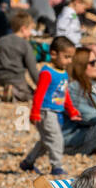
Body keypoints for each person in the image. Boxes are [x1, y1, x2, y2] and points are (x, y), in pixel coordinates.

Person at [19, 36, 80, 176]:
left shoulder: (63, 73)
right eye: (66, 57)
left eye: (71, 57)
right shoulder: (47, 73)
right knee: (56, 139)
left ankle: (28, 162)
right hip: (45, 112)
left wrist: (71, 110)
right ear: (53, 54)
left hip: (56, 112)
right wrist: (34, 112)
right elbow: (39, 94)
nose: (69, 61)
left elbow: (65, 94)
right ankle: (56, 166)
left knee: (46, 141)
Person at [63, 48, 96, 155]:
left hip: (89, 128)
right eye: (92, 63)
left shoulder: (92, 84)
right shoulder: (73, 88)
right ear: (80, 66)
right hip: (74, 137)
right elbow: (86, 116)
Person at [0, 11, 39, 102]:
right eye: (30, 30)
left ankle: (10, 89)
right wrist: (41, 85)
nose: (30, 33)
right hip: (16, 77)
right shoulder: (25, 44)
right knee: (32, 95)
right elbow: (32, 69)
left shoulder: (2, 40)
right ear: (23, 29)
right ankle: (14, 92)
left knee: (24, 88)